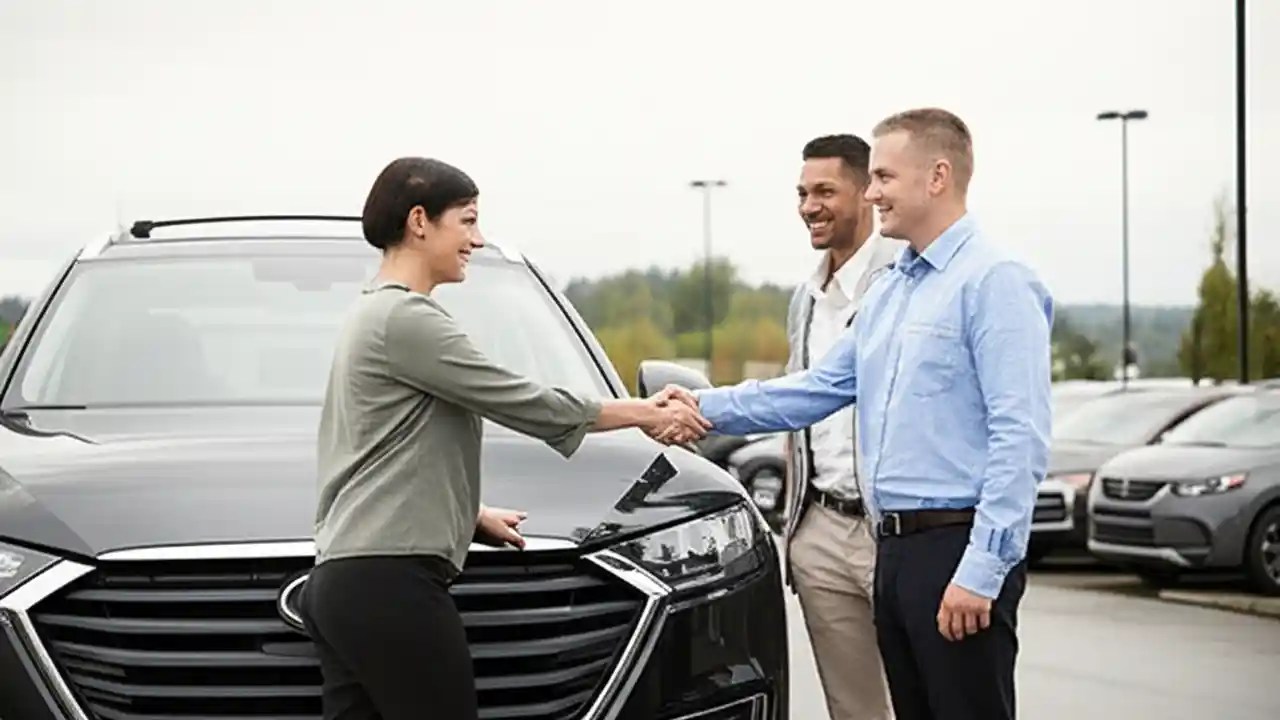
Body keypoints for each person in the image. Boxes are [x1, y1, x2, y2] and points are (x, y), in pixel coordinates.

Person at [658, 108, 1052, 720]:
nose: (871, 194)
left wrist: (981, 570)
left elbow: (1018, 439)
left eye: (884, 178)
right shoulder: (894, 289)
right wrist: (699, 406)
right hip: (894, 553)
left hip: (955, 549)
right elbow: (817, 388)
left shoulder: (995, 281)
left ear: (937, 177)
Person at [300, 156, 711, 720]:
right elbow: (520, 399)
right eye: (467, 221)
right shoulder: (405, 319)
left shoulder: (369, 315)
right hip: (390, 584)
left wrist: (467, 513)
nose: (478, 239)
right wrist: (641, 412)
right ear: (419, 222)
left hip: (346, 582)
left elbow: (375, 451)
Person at [782, 134, 901, 720]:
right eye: (803, 193)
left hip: (898, 533)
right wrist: (797, 533)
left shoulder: (906, 280)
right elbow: (794, 405)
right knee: (854, 711)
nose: (810, 206)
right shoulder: (804, 299)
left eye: (825, 191)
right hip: (821, 533)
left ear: (866, 192)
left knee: (930, 699)